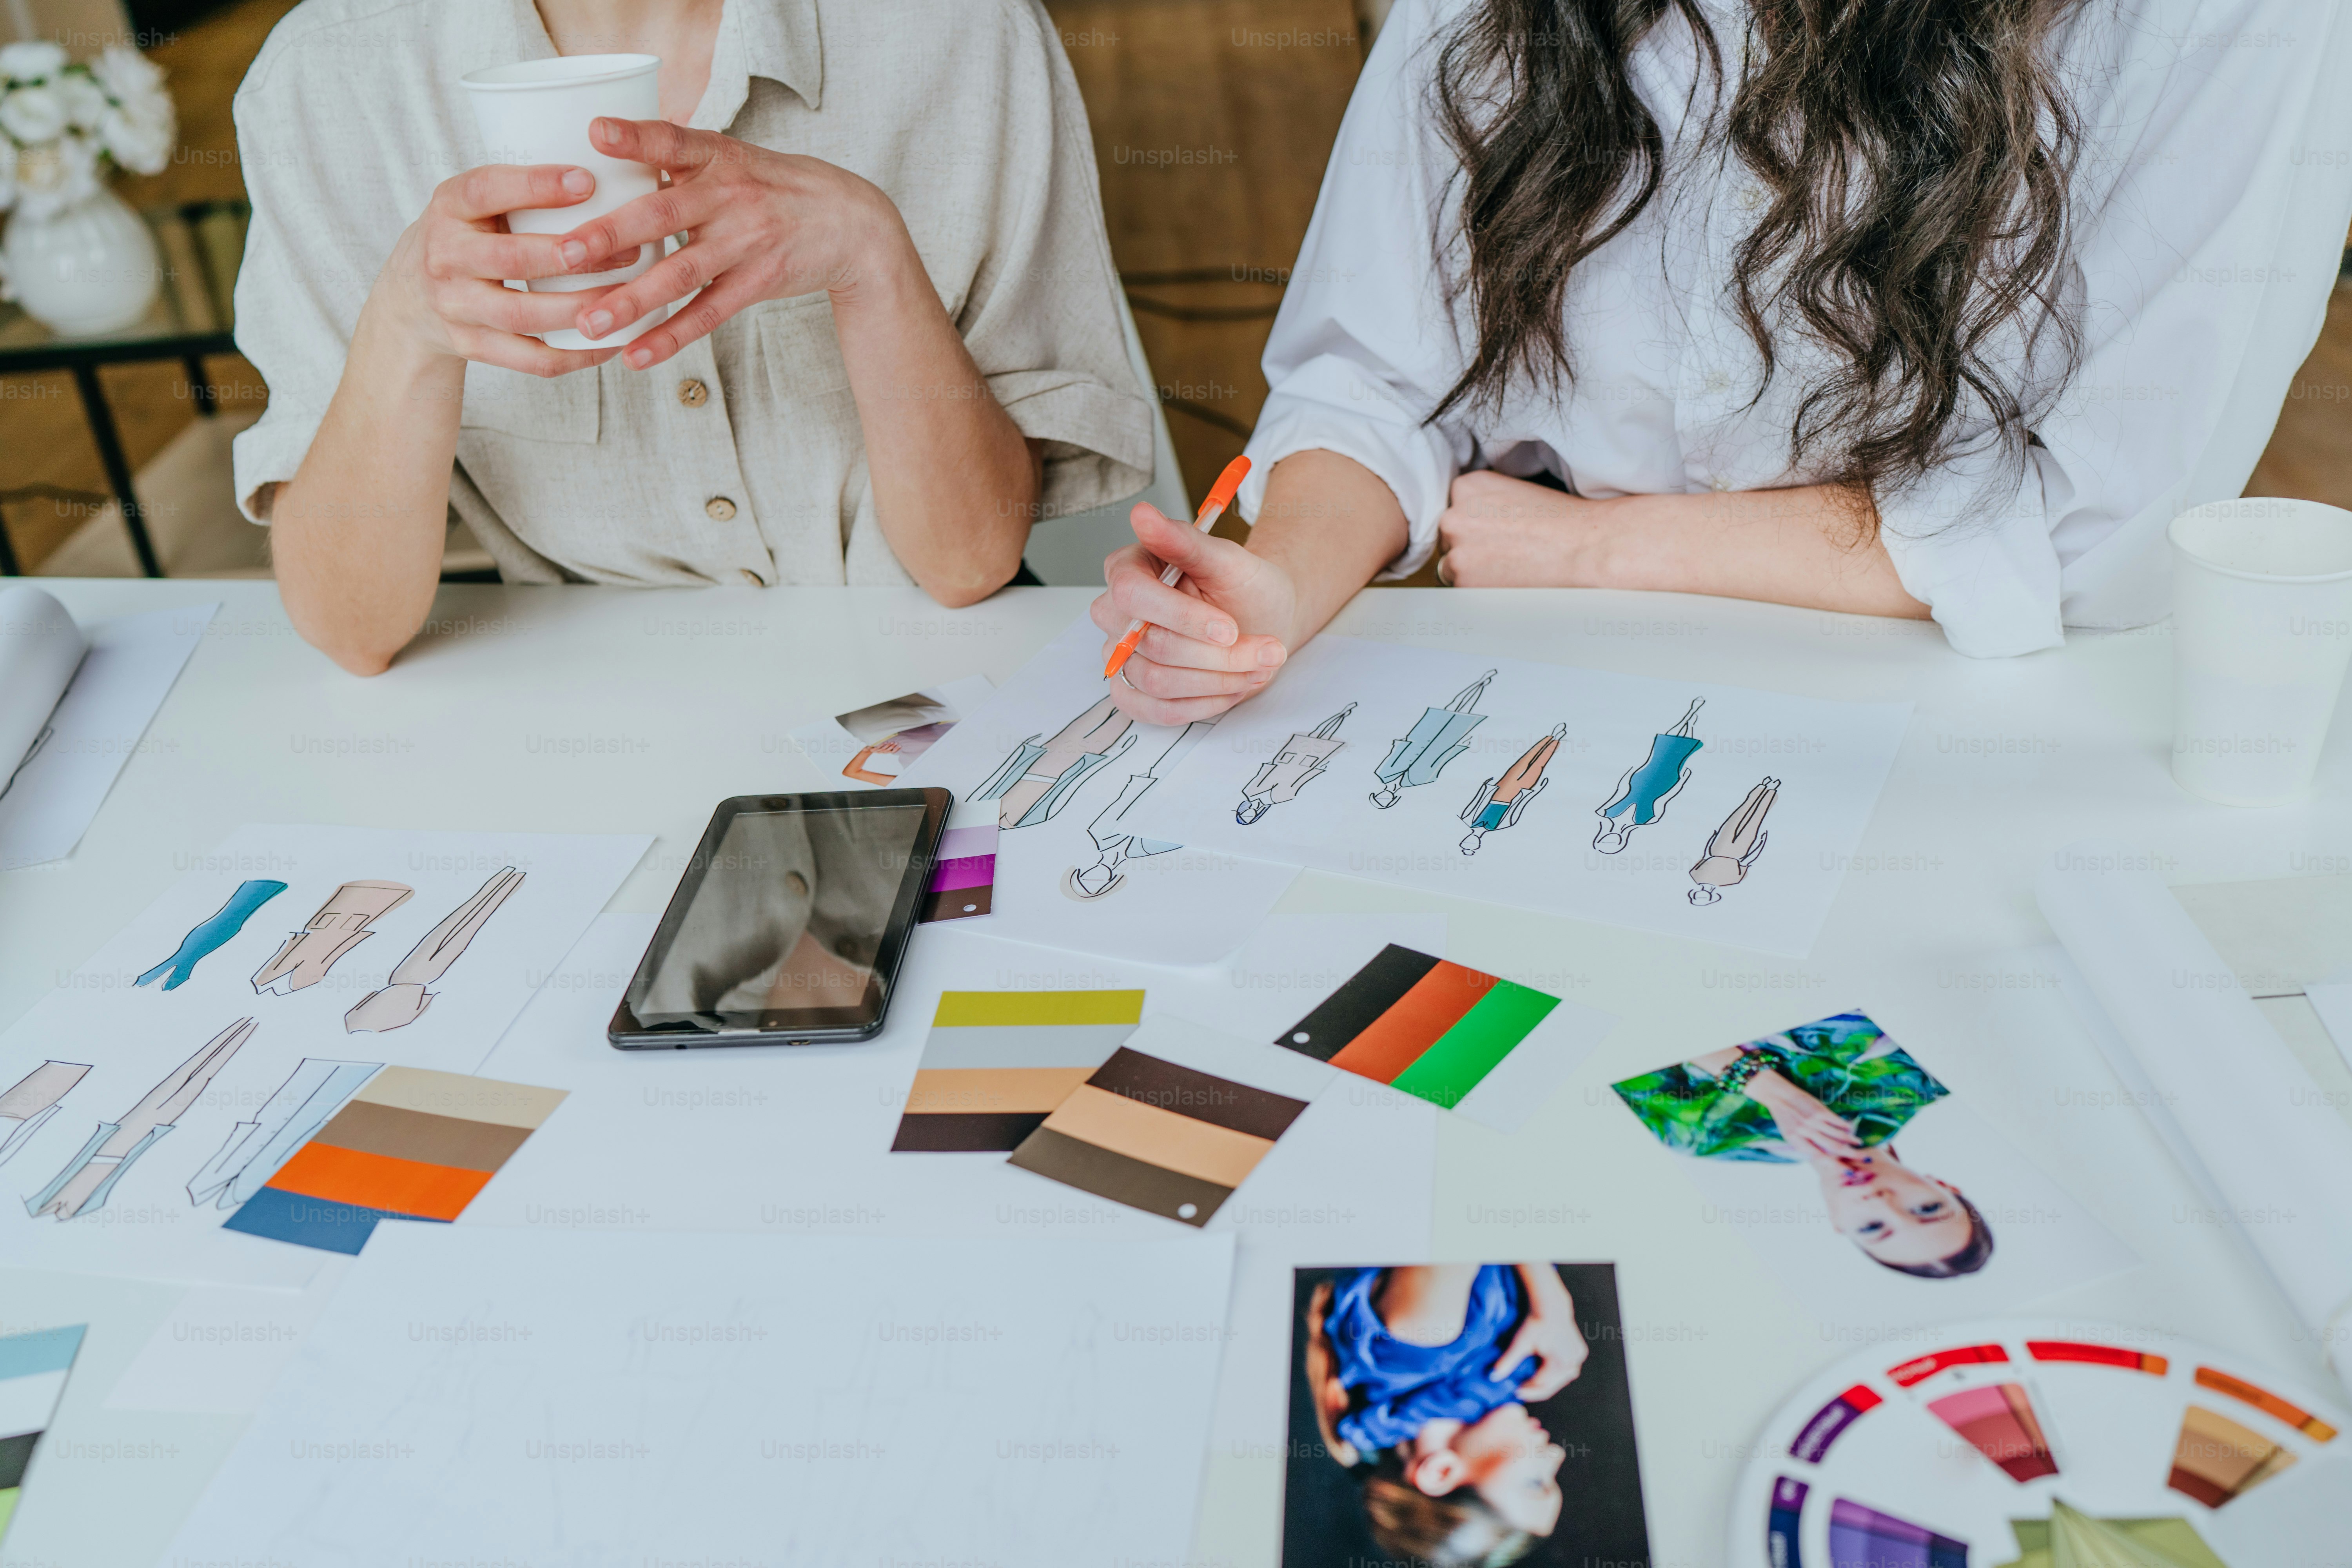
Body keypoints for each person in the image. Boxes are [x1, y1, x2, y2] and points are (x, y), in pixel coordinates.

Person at [1092, 0, 2352, 721]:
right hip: (1556, 671)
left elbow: (2100, 526)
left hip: (1972, 704)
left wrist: (1603, 546)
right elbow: (1375, 380)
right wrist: (1278, 586)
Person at [231, 0, 1151, 675]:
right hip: (576, 713)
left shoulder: (963, 33)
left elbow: (968, 563)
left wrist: (872, 256)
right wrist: (406, 326)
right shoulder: (325, 82)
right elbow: (353, 628)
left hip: (932, 671)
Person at [1611, 1011, 1994, 1278]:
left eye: (1873, 1226)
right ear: (1942, 1185)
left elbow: (1628, 1029)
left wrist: (1771, 1092)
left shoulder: (1701, 1139)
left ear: (1838, 1224)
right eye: (1927, 1208)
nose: (1880, 1200)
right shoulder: (1931, 1075)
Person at [1304, 1264, 1587, 1566]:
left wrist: (1552, 1304)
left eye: (1535, 1484)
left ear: (1441, 1473)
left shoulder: (1424, 1340)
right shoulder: (1504, 1380)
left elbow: (1456, 1233)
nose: (1556, 1455)